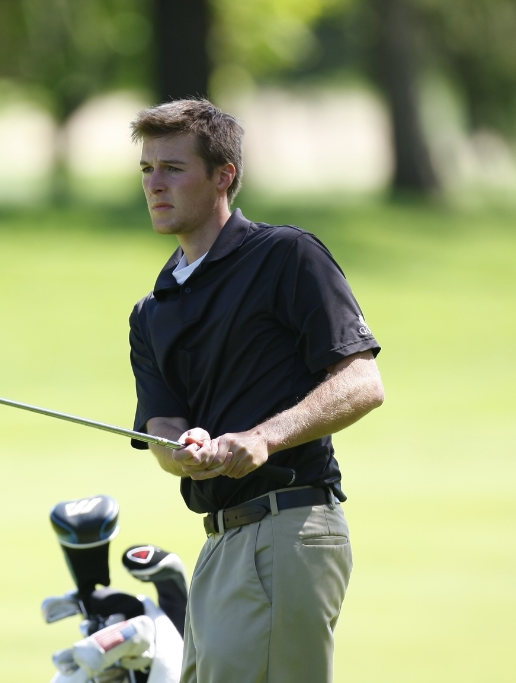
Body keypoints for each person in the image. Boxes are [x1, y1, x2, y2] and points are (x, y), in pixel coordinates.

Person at [127, 99, 385, 683]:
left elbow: (362, 381)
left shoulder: (286, 256)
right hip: (220, 544)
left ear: (225, 176)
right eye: (147, 170)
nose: (155, 185)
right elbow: (163, 428)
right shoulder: (154, 310)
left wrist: (264, 438)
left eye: (173, 168)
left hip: (287, 525)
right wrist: (183, 452)